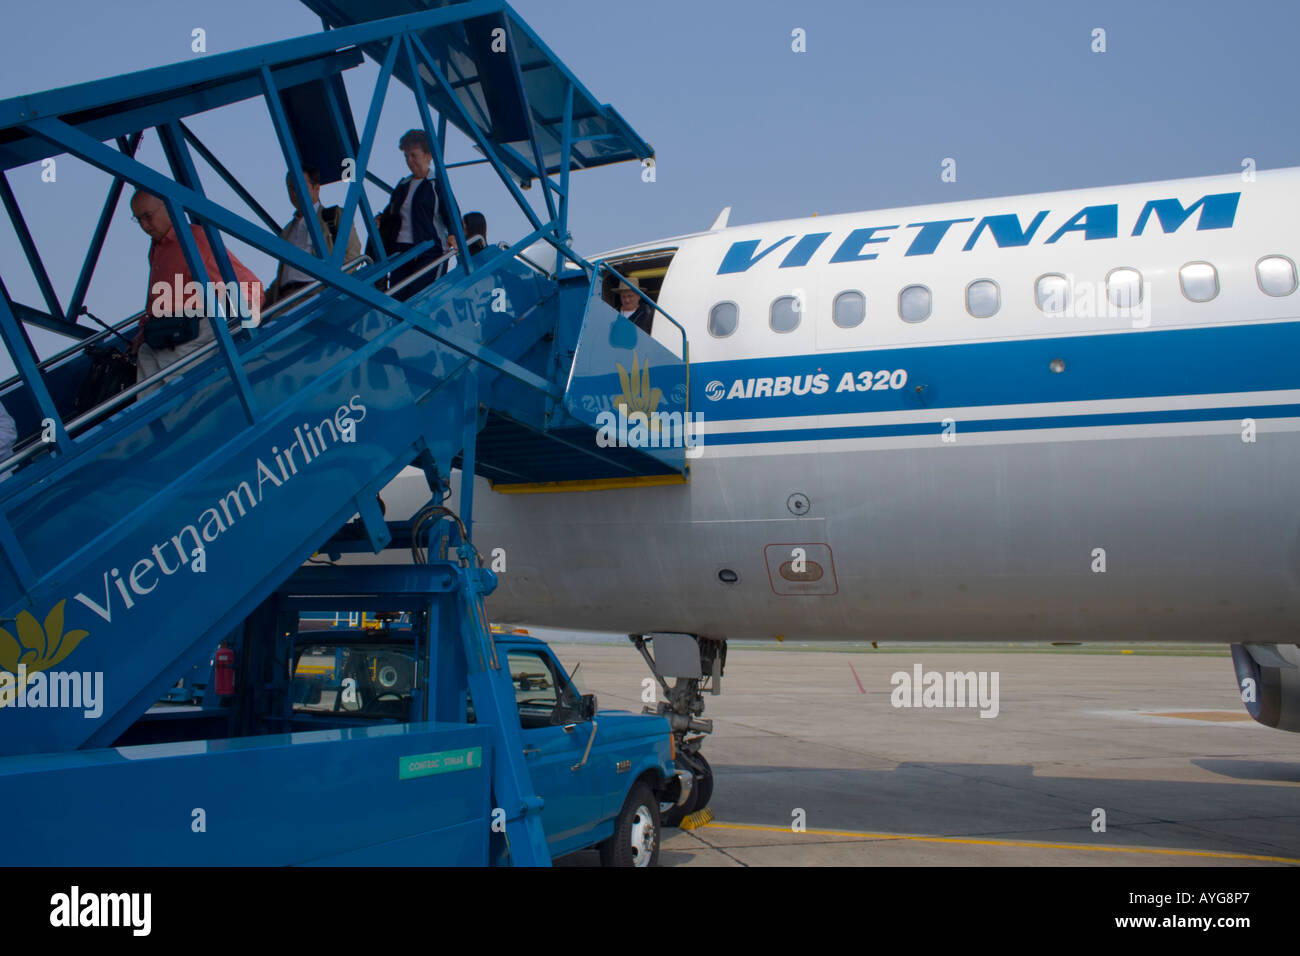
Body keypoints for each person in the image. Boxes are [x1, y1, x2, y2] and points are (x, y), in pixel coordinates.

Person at [129, 189, 262, 384]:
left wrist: (248, 315)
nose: (144, 225)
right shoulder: (157, 249)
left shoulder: (193, 240)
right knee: (149, 381)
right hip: (163, 333)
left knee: (180, 393)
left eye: (148, 216)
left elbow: (244, 283)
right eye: (138, 219)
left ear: (167, 207)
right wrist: (142, 332)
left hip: (188, 332)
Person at [265, 164, 362, 307]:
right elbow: (285, 273)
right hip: (285, 300)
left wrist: (332, 288)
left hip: (316, 295)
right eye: (290, 187)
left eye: (299, 185)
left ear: (316, 187)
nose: (294, 192)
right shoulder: (287, 230)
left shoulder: (334, 216)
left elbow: (352, 255)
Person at [379, 129, 454, 298]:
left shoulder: (436, 185)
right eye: (406, 156)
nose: (409, 161)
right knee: (397, 298)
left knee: (420, 296)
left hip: (429, 250)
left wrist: (453, 234)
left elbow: (451, 212)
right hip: (401, 250)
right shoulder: (403, 185)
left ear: (428, 156)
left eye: (414, 155)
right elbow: (392, 213)